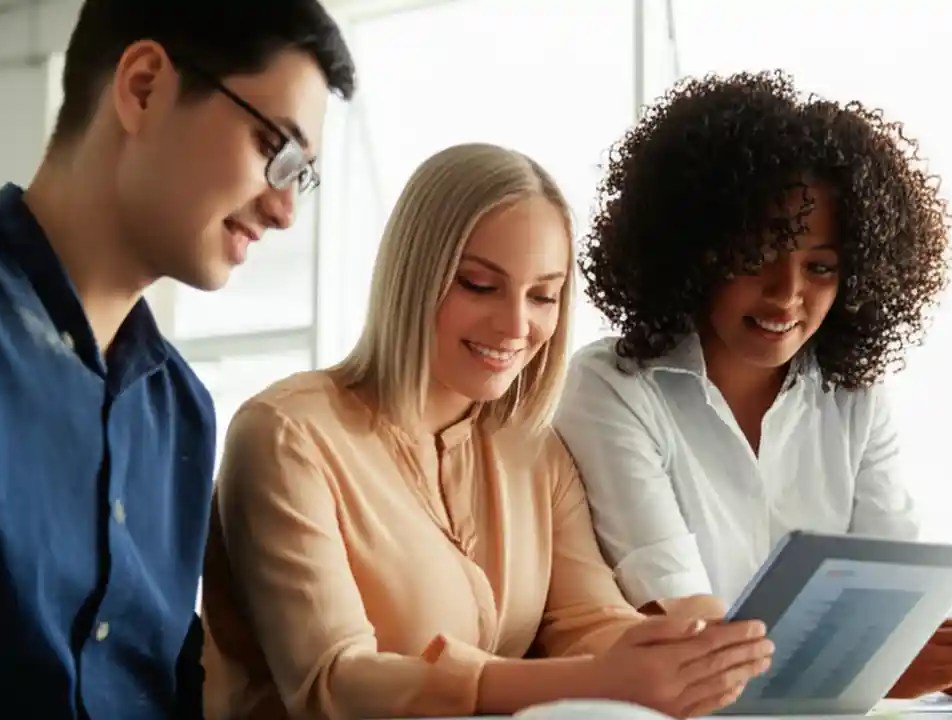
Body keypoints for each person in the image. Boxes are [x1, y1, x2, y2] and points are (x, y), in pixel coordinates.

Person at [200, 143, 774, 719]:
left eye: (543, 296)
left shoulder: (534, 451)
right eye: (479, 285)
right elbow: (333, 682)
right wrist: (598, 678)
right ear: (415, 275)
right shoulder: (287, 436)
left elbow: (587, 622)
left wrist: (684, 658)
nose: (517, 325)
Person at [555, 70, 952, 702]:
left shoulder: (854, 396)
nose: (787, 294)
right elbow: (685, 635)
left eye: (820, 267)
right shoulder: (611, 388)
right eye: (756, 255)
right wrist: (886, 668)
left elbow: (899, 600)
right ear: (697, 249)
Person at [0, 1, 355, 717]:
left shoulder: (180, 411)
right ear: (143, 88)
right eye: (274, 148)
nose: (286, 209)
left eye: (303, 176)